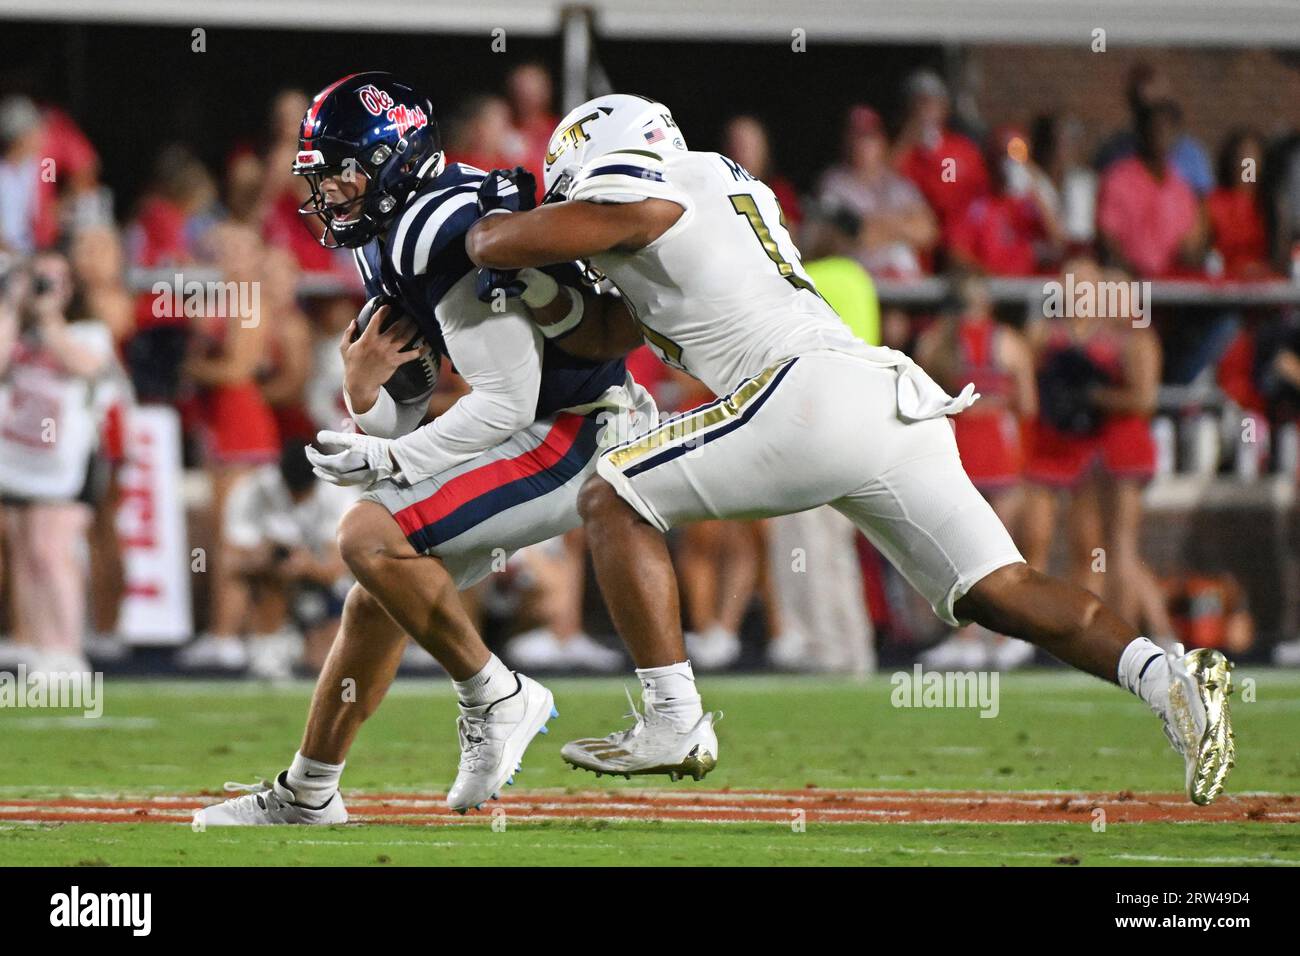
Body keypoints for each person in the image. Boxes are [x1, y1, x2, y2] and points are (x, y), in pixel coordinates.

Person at [465, 93, 1236, 805]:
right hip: (878, 398)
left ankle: (674, 716)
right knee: (1000, 588)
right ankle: (1169, 681)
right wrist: (538, 292)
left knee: (611, 492)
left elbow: (537, 233)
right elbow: (606, 327)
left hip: (803, 396)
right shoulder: (703, 201)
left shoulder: (665, 185)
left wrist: (476, 231)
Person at [193, 73, 654, 825]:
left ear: (392, 162)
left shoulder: (433, 227)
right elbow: (406, 412)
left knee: (367, 534)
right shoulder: (390, 230)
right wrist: (362, 392)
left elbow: (505, 401)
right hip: (539, 419)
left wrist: (386, 464)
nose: (330, 192)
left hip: (580, 421)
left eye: (343, 170)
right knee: (378, 588)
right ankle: (309, 791)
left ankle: (497, 694)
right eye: (321, 176)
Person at [914, 271, 1037, 669]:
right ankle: (1004, 635)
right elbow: (1029, 405)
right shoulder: (1009, 342)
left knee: (958, 546)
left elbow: (918, 396)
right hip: (999, 445)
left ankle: (967, 633)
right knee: (998, 549)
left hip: (957, 442)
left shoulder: (935, 340)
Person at [0, 252, 115, 674]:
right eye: (40, 280)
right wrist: (12, 306)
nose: (48, 289)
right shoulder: (15, 331)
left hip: (66, 463)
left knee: (52, 550)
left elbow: (83, 364)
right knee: (26, 551)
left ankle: (68, 649)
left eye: (57, 280)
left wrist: (48, 319)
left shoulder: (89, 330)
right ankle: (38, 645)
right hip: (17, 459)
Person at [220, 438, 356, 678]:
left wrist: (306, 566)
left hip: (331, 584)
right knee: (265, 578)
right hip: (272, 582)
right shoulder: (254, 491)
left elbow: (337, 569)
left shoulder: (338, 494)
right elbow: (231, 563)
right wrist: (262, 561)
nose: (296, 499)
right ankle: (265, 644)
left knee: (324, 665)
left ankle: (297, 642)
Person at [816, 105, 936, 278]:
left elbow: (927, 232)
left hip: (903, 284)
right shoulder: (834, 184)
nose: (862, 145)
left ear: (882, 141)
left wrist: (878, 223)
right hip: (860, 280)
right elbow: (857, 235)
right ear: (846, 141)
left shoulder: (898, 184)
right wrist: (902, 224)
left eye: (869, 138)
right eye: (856, 137)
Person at [1097, 101, 1204, 278]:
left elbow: (1192, 245)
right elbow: (1108, 238)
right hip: (1126, 286)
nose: (1161, 136)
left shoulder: (1182, 189)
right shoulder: (1118, 179)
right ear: (1142, 132)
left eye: (1168, 130)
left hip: (1172, 291)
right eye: (1155, 129)